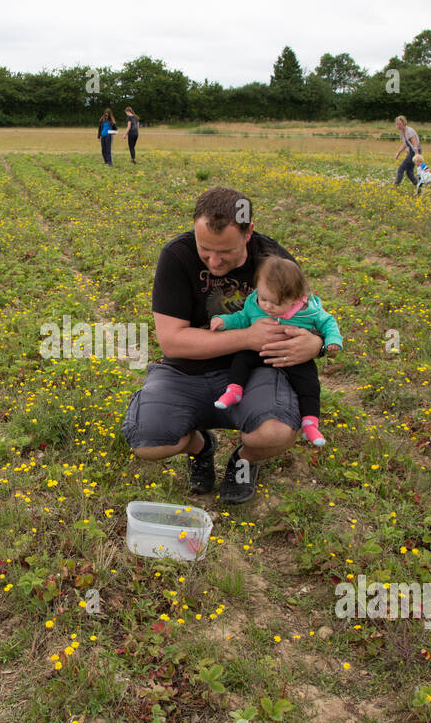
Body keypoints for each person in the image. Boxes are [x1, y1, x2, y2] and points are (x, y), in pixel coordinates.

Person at [120, 186, 325, 504]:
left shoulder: (275, 261)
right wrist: (247, 337)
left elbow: (312, 318)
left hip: (256, 371)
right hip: (185, 371)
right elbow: (172, 342)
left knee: (276, 431)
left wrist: (317, 344)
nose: (214, 261)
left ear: (248, 232)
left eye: (225, 252)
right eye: (205, 249)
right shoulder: (176, 256)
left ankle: (244, 460)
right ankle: (202, 447)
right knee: (147, 440)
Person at [210, 257, 342, 446]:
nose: (267, 306)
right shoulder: (255, 302)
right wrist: (223, 321)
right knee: (241, 359)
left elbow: (328, 323)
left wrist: (333, 340)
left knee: (310, 385)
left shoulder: (309, 311)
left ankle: (310, 423)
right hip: (260, 351)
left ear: (296, 298)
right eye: (263, 298)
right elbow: (242, 318)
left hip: (294, 357)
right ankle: (234, 390)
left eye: (276, 303)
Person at [393, 115, 421, 190]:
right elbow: (405, 144)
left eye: (400, 124)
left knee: (400, 168)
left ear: (404, 123)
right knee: (409, 172)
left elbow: (415, 145)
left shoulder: (410, 131)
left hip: (414, 152)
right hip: (411, 152)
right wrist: (398, 153)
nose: (398, 126)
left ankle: (396, 186)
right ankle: (418, 185)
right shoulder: (403, 132)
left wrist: (417, 155)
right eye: (397, 124)